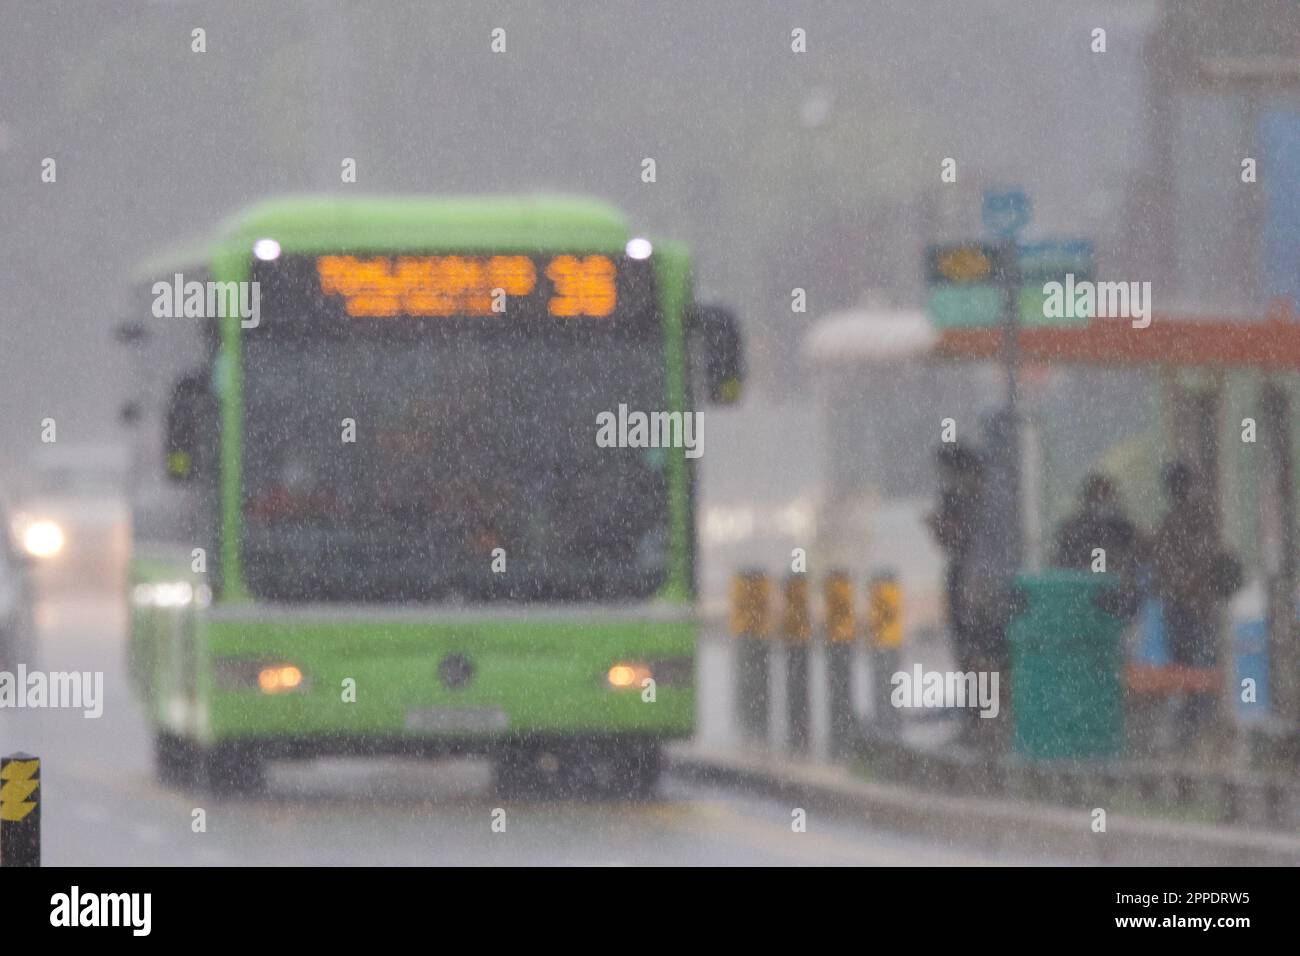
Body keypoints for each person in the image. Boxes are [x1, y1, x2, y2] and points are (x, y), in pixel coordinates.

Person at [1149, 462, 1241, 752]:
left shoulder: (1170, 523)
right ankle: (1201, 728)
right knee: (1202, 667)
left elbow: (1167, 567)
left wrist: (1184, 587)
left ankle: (1192, 730)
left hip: (1183, 607)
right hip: (1199, 606)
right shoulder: (1204, 519)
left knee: (1187, 669)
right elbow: (1213, 559)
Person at [926, 444, 987, 744]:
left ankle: (980, 720)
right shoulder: (984, 494)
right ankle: (980, 718)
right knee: (973, 652)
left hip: (968, 579)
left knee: (973, 652)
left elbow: (953, 537)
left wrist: (940, 528)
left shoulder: (965, 497)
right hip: (969, 578)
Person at [1053, 473, 1142, 617]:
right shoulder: (1075, 529)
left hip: (1114, 601)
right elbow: (1063, 563)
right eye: (1099, 496)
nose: (1104, 502)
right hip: (1083, 599)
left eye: (1106, 495)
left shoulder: (1122, 528)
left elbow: (1135, 556)